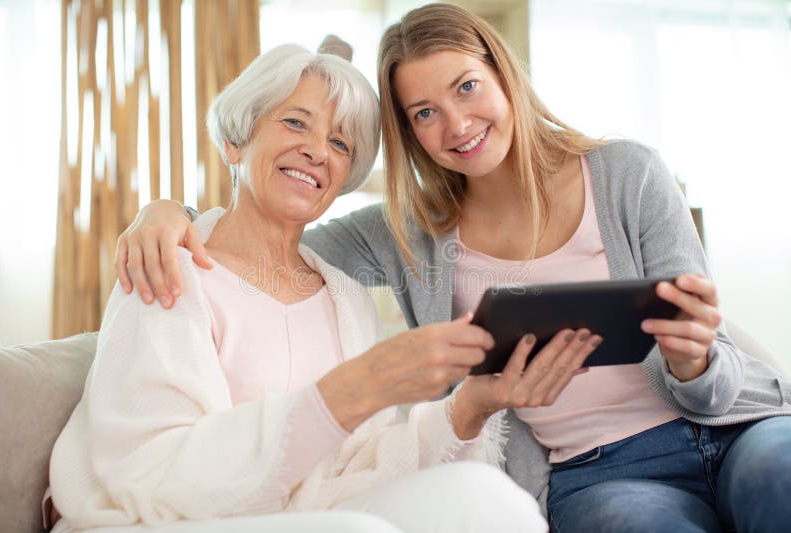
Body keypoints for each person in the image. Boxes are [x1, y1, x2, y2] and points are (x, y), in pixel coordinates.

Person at [114, 4, 791, 532]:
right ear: (410, 133)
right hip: (599, 472)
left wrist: (693, 362)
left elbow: (721, 383)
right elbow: (273, 228)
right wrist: (168, 213)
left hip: (732, 429)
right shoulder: (408, 235)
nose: (457, 123)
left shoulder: (628, 176)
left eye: (468, 87)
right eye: (425, 113)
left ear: (503, 75)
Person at [48, 43, 553, 533]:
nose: (316, 151)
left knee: (490, 500)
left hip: (311, 513)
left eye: (340, 143)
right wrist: (348, 392)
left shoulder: (346, 298)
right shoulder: (166, 267)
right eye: (295, 122)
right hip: (159, 516)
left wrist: (470, 405)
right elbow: (150, 472)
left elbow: (362, 468)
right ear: (236, 141)